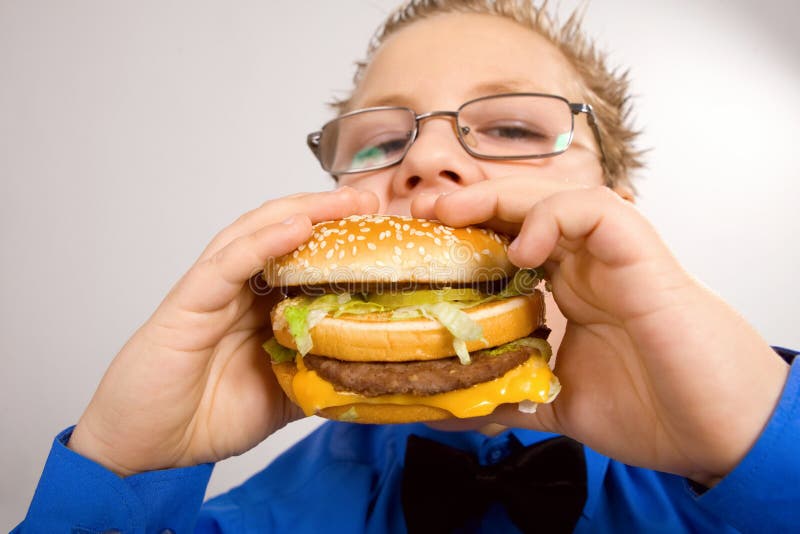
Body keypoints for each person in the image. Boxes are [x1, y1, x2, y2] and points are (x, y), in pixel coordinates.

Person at [15, 1, 799, 532]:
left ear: (620, 211)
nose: (426, 157)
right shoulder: (252, 516)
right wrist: (125, 463)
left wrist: (759, 439)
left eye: (515, 126)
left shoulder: (740, 446)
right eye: (382, 143)